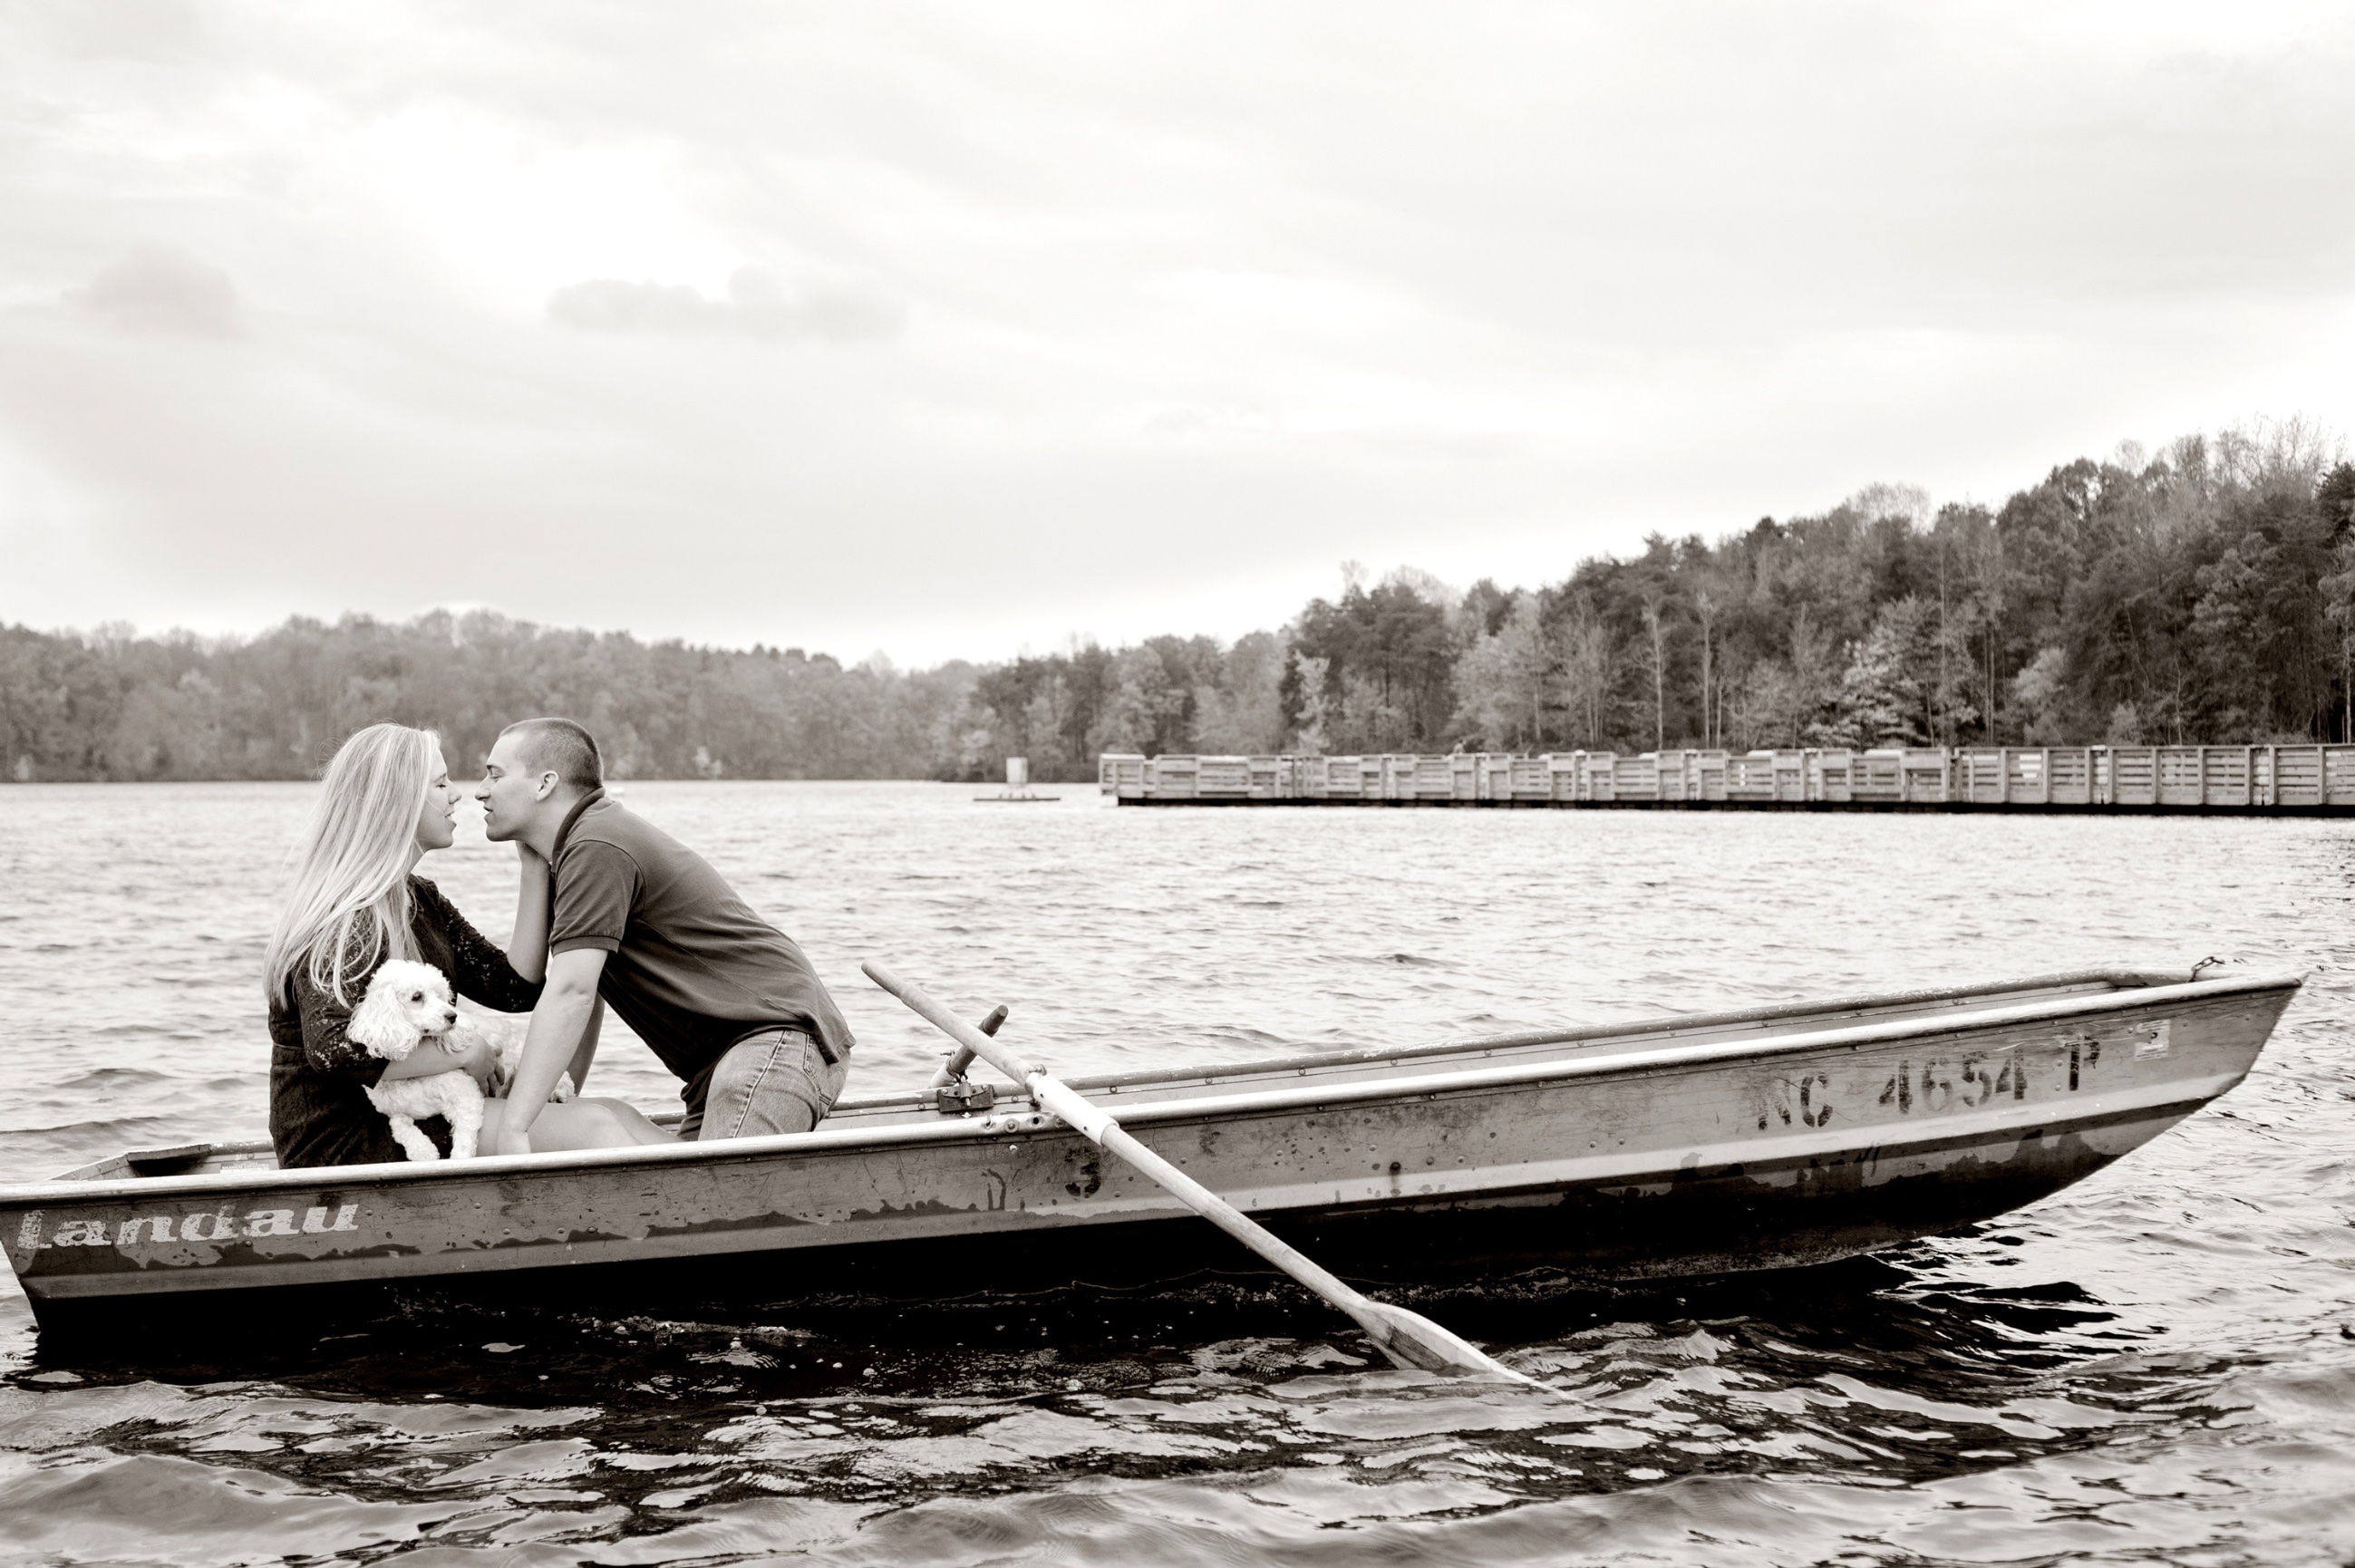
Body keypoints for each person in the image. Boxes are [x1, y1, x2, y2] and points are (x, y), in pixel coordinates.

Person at [264, 722, 672, 1167]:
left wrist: (533, 863)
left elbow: (514, 987)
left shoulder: (420, 900)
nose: (457, 795)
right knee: (596, 1128)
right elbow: (332, 1051)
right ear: (396, 801)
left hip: (423, 1111)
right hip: (347, 1140)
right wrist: (468, 1050)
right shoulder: (346, 917)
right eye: (440, 784)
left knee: (615, 1112)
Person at [480, 717, 857, 1155]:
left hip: (772, 1044)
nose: (480, 790)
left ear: (545, 784)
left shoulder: (596, 848)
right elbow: (586, 998)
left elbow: (571, 994)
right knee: (673, 1201)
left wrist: (514, 1128)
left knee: (713, 1204)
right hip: (726, 1067)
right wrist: (558, 1097)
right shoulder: (581, 845)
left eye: (495, 774)